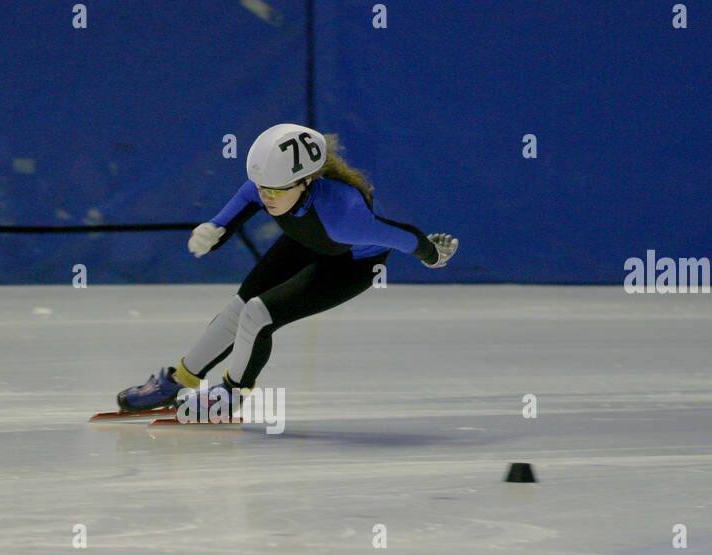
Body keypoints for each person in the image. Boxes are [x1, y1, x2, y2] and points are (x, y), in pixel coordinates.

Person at [116, 123, 458, 413]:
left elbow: (402, 236)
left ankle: (231, 395)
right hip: (308, 241)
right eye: (263, 189)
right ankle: (180, 380)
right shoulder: (270, 184)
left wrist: (433, 255)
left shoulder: (346, 218)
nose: (268, 198)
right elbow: (235, 211)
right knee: (238, 308)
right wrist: (212, 231)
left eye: (278, 191)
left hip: (353, 264)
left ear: (306, 181)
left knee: (258, 314)